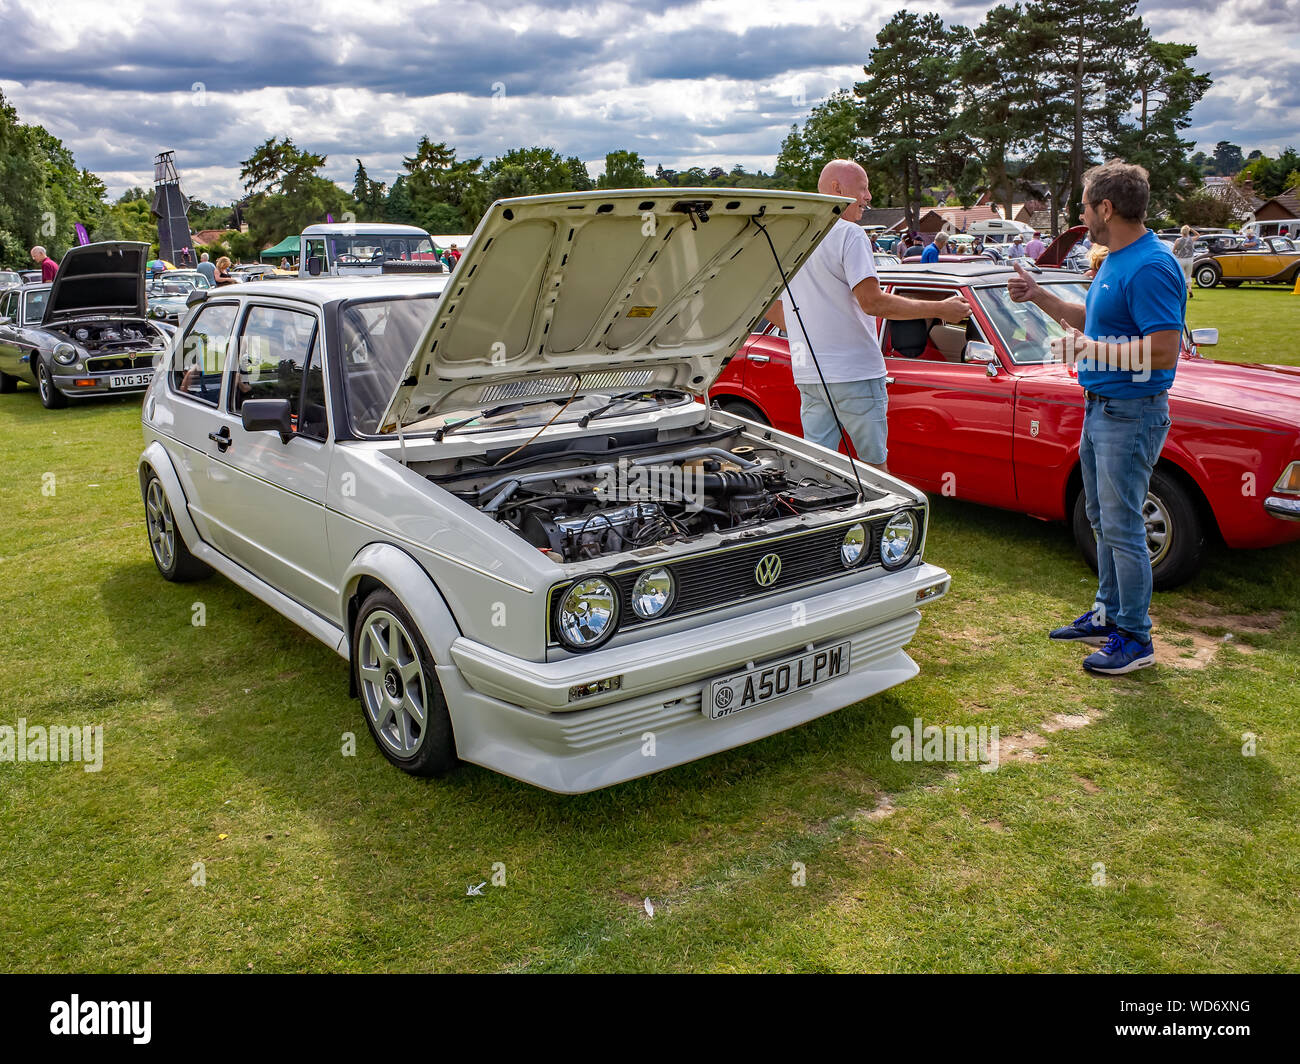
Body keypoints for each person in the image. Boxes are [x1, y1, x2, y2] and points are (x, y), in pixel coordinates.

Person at [1009, 160, 1184, 675]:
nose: (1082, 216)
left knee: (1124, 525)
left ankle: (1135, 636)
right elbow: (1097, 322)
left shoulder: (1151, 264)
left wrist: (1092, 351)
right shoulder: (1116, 258)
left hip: (1130, 412)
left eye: (1085, 206)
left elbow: (1164, 351)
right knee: (1100, 518)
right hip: (1103, 407)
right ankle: (1109, 612)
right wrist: (1039, 296)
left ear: (1106, 208)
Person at [763, 159, 970, 469]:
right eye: (863, 189)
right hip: (854, 373)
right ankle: (875, 520)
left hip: (810, 374)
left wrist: (814, 333)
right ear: (837, 189)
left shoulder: (794, 238)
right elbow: (872, 302)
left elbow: (769, 305)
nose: (869, 197)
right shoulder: (850, 234)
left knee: (818, 472)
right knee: (875, 472)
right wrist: (940, 308)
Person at [1170, 225, 1197, 298]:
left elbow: (1173, 251)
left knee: (1180, 275)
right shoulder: (1191, 239)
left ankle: (1181, 292)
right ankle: (1190, 290)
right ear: (1188, 232)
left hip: (1181, 259)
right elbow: (1198, 235)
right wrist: (1191, 229)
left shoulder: (1178, 240)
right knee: (1188, 276)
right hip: (1190, 259)